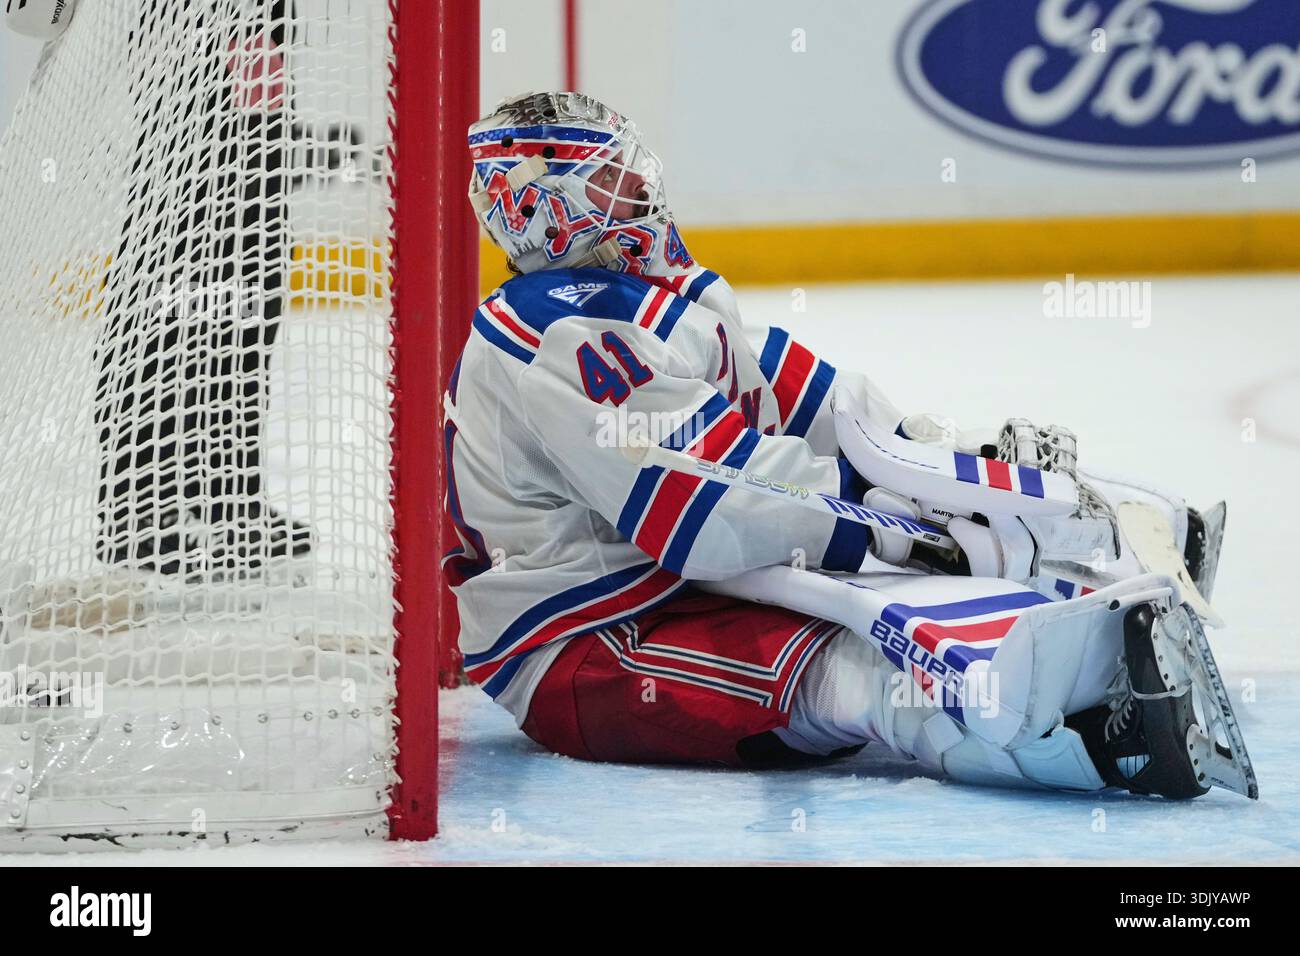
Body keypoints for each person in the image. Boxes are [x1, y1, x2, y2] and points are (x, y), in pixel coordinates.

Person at [447, 91, 1254, 800]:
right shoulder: (555, 331)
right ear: (542, 208)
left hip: (666, 581)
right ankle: (1091, 745)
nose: (639, 191)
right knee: (850, 671)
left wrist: (952, 462)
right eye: (609, 182)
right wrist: (895, 527)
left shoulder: (663, 296)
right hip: (581, 643)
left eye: (631, 170)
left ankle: (1075, 609)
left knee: (880, 588)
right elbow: (703, 506)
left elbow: (824, 405)